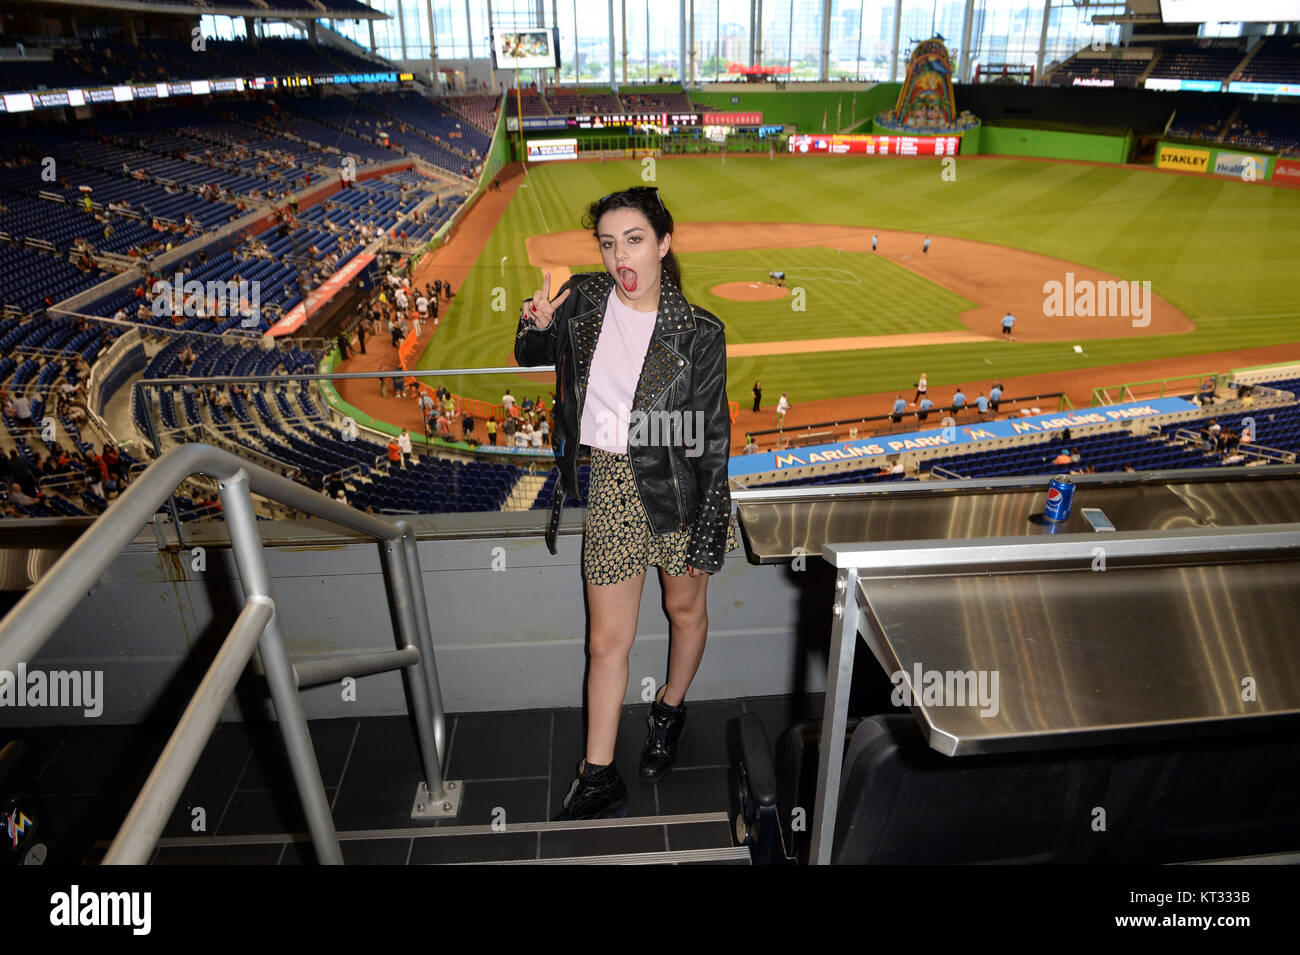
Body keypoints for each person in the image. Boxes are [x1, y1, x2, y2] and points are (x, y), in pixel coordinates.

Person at [514, 186, 736, 821]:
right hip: (613, 481)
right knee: (606, 640)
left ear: (663, 244)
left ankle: (668, 707)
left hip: (679, 483)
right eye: (608, 244)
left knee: (682, 607)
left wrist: (705, 524)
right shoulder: (583, 299)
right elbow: (530, 354)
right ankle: (599, 771)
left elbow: (712, 439)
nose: (619, 258)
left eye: (633, 240)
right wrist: (535, 320)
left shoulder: (699, 334)